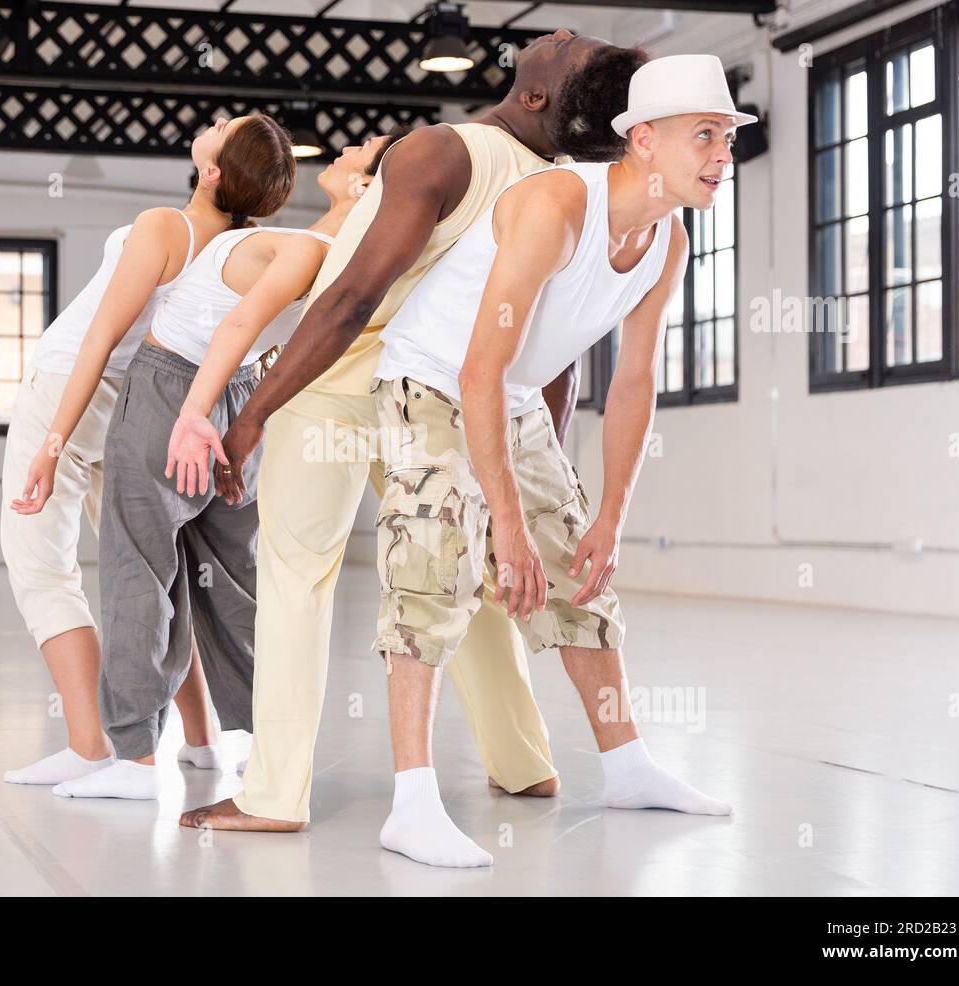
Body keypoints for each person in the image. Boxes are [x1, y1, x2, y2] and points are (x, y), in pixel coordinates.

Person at [182, 30, 634, 834]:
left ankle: (272, 796)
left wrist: (251, 413)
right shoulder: (569, 192)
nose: (564, 33)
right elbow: (549, 353)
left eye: (569, 49)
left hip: (337, 384)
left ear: (535, 96)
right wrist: (522, 479)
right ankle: (523, 763)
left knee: (298, 577)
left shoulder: (440, 151)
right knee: (468, 581)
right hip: (442, 401)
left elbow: (352, 298)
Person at [369, 53, 753, 867]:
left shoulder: (667, 240)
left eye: (727, 136)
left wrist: (611, 515)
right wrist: (504, 526)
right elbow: (475, 370)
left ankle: (628, 765)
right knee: (433, 571)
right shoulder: (555, 205)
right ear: (643, 141)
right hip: (434, 380)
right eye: (706, 136)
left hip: (508, 397)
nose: (723, 154)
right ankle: (410, 802)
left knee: (585, 576)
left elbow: (634, 385)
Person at [20, 128, 401, 801]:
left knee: (138, 567)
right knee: (232, 583)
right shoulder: (331, 251)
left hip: (177, 389)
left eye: (362, 155)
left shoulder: (295, 246)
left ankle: (135, 758)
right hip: (238, 395)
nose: (347, 149)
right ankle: (267, 743)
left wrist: (188, 417)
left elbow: (232, 327)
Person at [0, 112, 294, 787]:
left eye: (223, 127)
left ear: (214, 170)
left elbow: (100, 338)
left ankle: (91, 746)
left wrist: (51, 445)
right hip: (152, 401)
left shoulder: (166, 225)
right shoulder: (237, 244)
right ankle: (201, 740)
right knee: (161, 574)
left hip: (74, 387)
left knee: (42, 565)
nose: (214, 120)